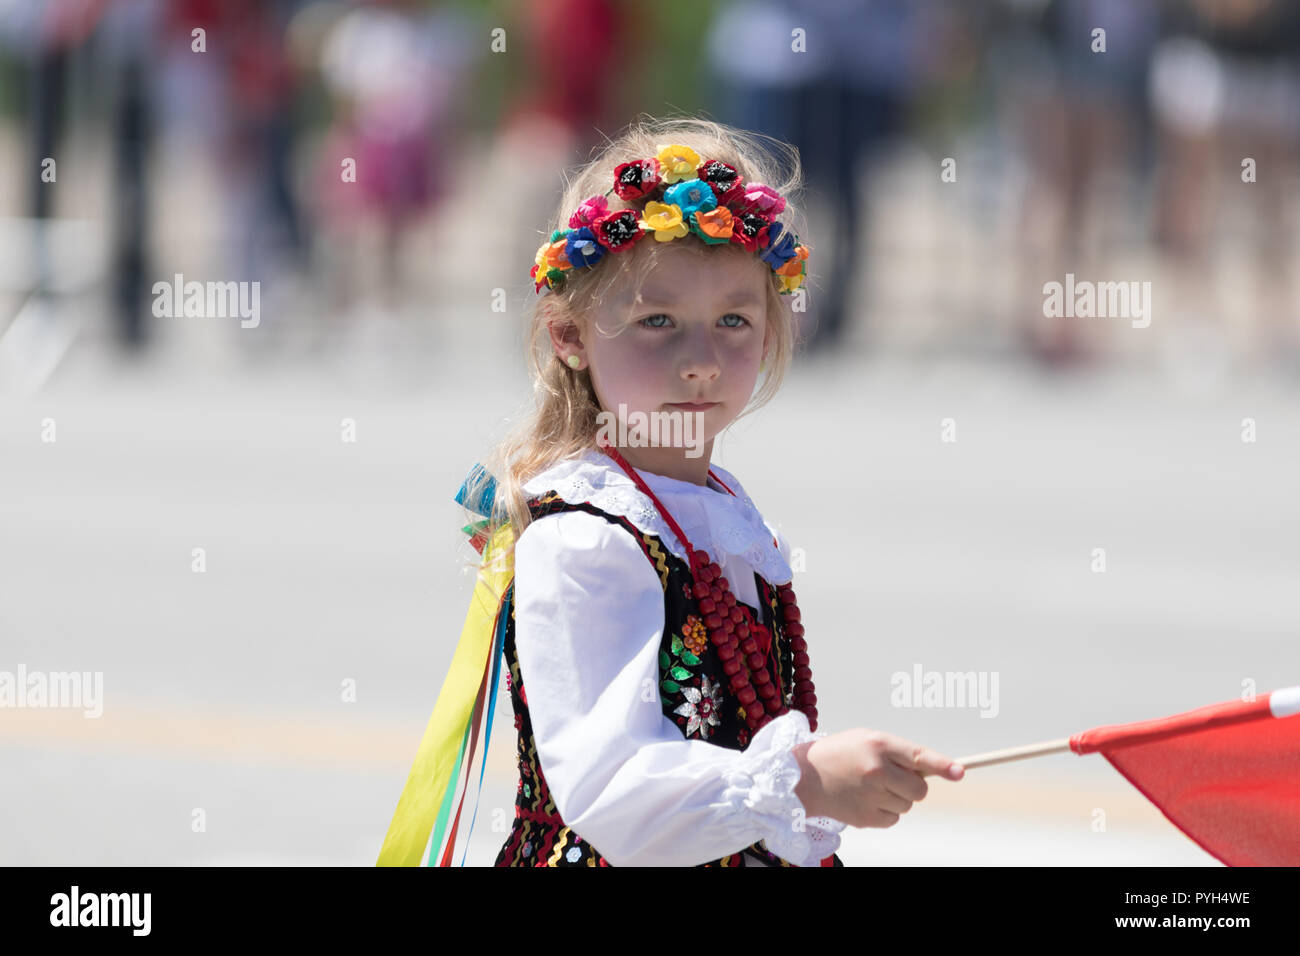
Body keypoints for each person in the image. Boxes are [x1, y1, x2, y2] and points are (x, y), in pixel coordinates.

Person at [378, 116, 964, 868]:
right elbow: (612, 789)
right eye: (657, 321)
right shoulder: (587, 538)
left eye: (733, 320)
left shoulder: (714, 508)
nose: (701, 361)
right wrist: (802, 779)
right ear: (571, 336)